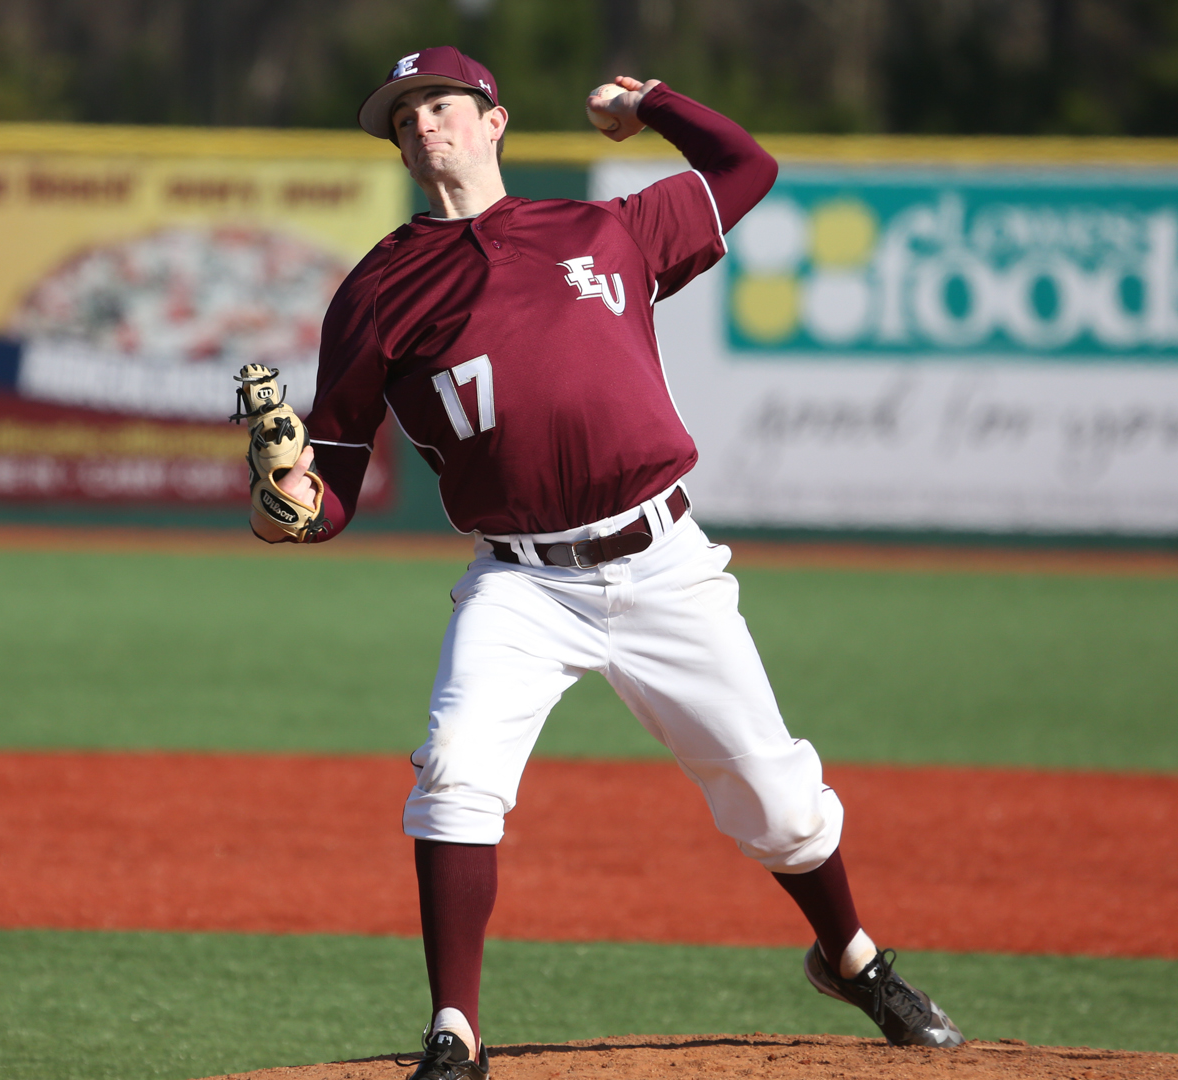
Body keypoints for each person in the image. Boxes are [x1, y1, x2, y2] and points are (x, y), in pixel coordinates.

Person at [264, 46, 964, 1080]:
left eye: (440, 105)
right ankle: (453, 1034)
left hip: (663, 559)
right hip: (521, 582)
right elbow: (329, 487)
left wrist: (653, 104)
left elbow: (747, 172)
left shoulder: (602, 228)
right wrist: (289, 506)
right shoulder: (374, 292)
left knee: (780, 805)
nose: (422, 126)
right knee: (455, 770)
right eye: (402, 117)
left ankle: (852, 959)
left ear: (494, 121)